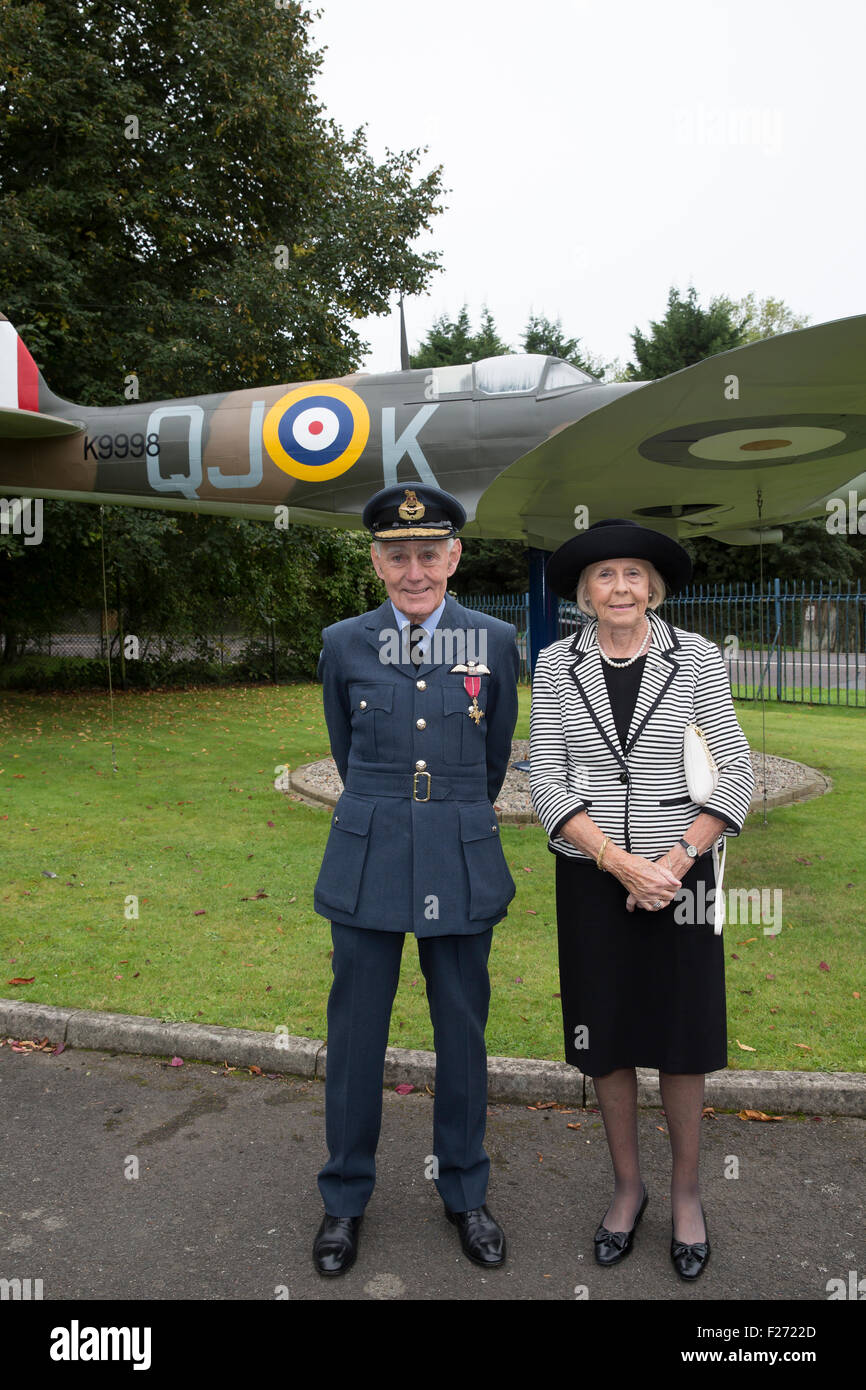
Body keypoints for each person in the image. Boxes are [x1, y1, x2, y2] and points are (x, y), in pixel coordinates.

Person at [529, 518, 754, 1280]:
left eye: (633, 575)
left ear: (652, 588)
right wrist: (620, 863)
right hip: (594, 879)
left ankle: (688, 1196)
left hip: (684, 878)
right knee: (608, 1041)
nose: (620, 587)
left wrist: (678, 858)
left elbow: (736, 772)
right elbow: (547, 779)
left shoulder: (695, 658)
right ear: (585, 593)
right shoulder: (557, 664)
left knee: (682, 1040)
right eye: (604, 575)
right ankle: (628, 1190)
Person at [311, 484, 520, 1276]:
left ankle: (465, 1193)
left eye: (428, 554)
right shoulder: (344, 641)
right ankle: (343, 1201)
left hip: (459, 855)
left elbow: (494, 754)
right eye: (397, 556)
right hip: (367, 855)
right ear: (375, 560)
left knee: (461, 1036)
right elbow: (345, 748)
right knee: (356, 1036)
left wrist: (447, 812)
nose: (414, 571)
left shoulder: (495, 640)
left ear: (454, 556)